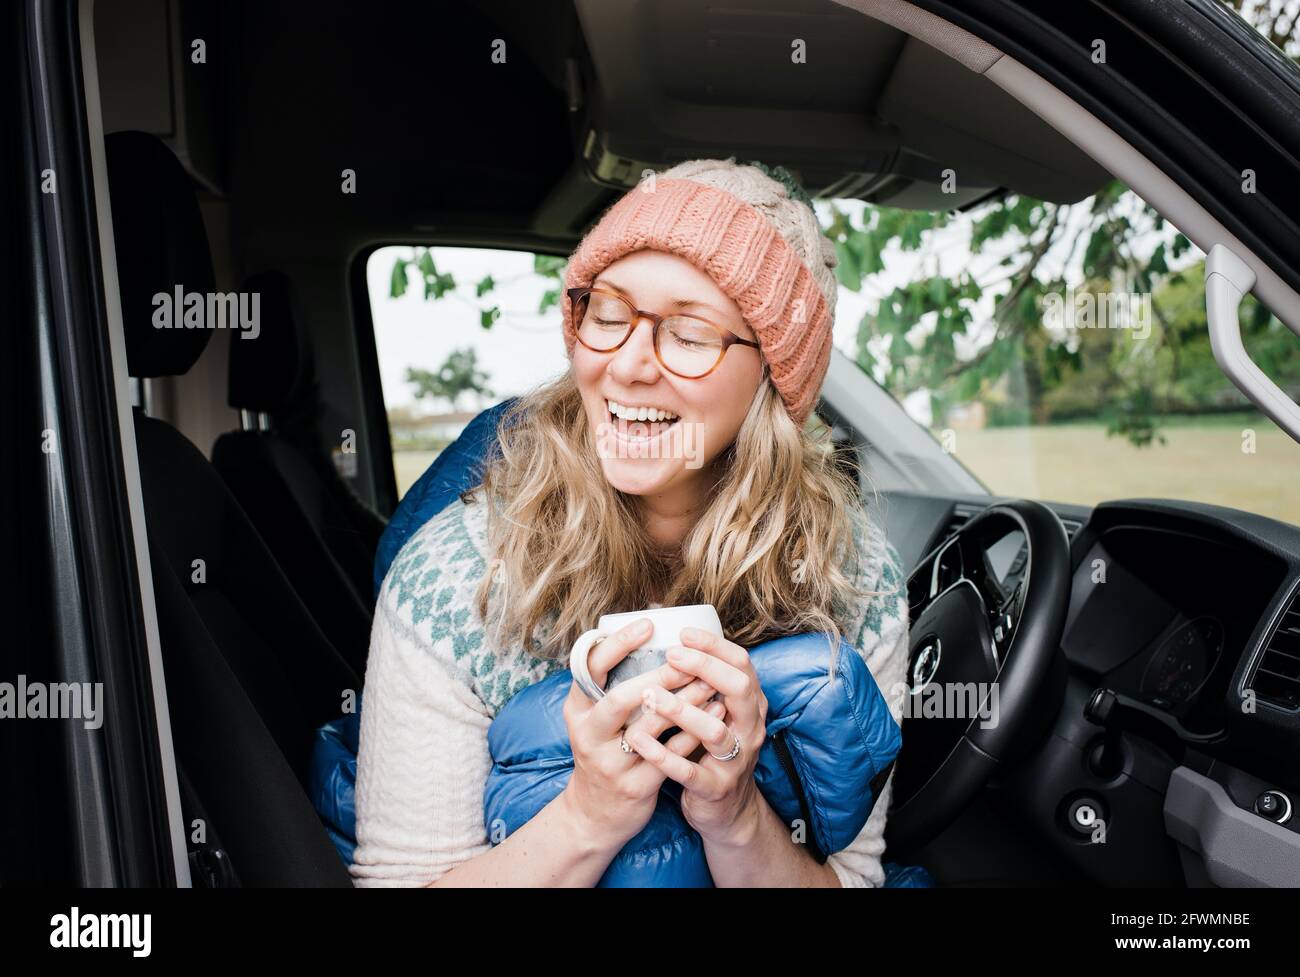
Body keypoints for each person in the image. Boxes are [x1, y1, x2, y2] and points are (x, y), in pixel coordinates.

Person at [349, 158, 909, 887]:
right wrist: (589, 815)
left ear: (773, 376)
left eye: (690, 333)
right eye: (608, 317)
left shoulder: (851, 571)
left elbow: (856, 878)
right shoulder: (454, 577)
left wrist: (738, 818)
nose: (629, 365)